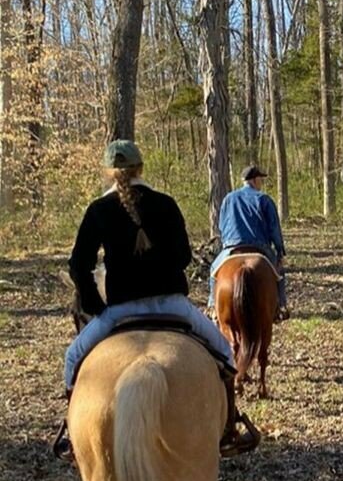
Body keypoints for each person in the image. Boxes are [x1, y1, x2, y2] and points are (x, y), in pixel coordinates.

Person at [57, 140, 258, 458]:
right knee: (223, 353)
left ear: (110, 173)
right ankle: (229, 429)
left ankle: (72, 437)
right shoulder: (165, 203)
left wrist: (97, 306)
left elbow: (78, 266)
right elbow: (182, 257)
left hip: (120, 310)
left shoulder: (98, 210)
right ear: (141, 167)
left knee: (73, 359)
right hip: (172, 306)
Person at [208, 166, 289, 320]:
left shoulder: (228, 199)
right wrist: (280, 251)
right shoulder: (264, 199)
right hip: (259, 247)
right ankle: (281, 306)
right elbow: (274, 229)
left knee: (213, 271)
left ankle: (212, 306)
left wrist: (228, 242)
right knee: (279, 272)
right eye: (260, 180)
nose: (261, 183)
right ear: (254, 180)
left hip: (232, 246)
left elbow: (222, 226)